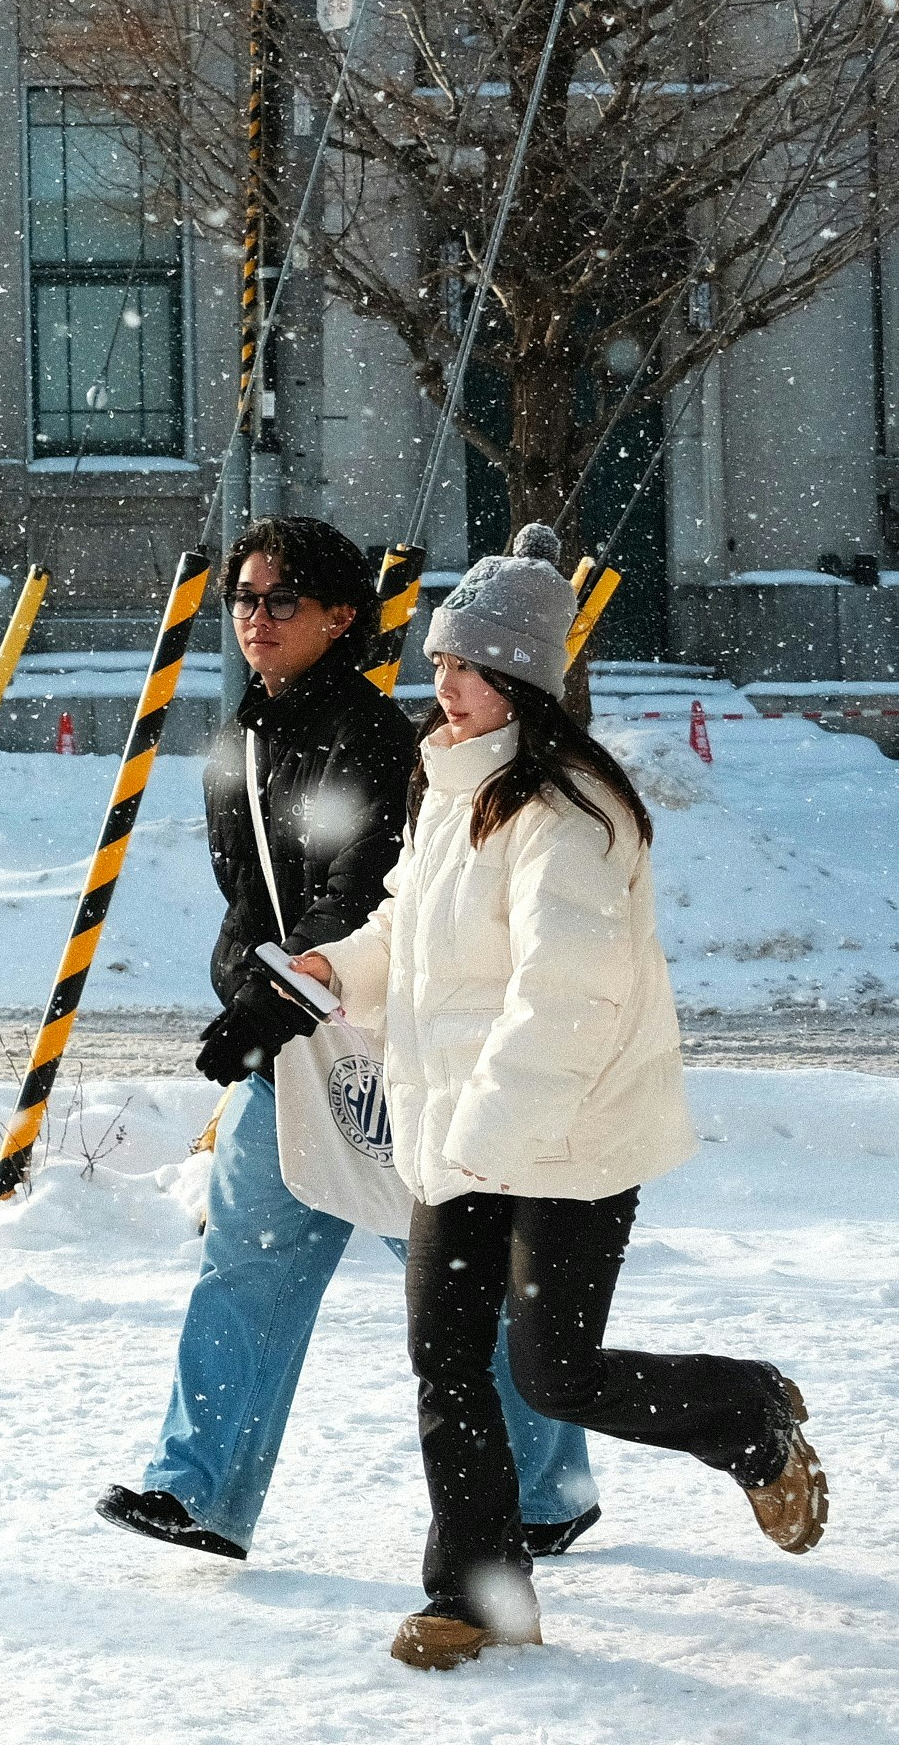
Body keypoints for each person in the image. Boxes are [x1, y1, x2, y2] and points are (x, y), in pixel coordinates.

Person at [293, 538, 828, 1669]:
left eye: (471, 668)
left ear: (526, 682)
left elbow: (563, 1002)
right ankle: (475, 1592)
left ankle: (743, 1414)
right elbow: (406, 927)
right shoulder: (450, 789)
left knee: (552, 1371)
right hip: (461, 1133)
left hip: (569, 1139)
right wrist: (345, 968)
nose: (443, 686)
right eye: (438, 662)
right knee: (443, 1363)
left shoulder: (570, 813)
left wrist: (485, 1130)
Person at [98, 518, 596, 1566]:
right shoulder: (232, 740)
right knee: (241, 1265)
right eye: (242, 596)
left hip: (374, 1055)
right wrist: (249, 993)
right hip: (281, 1050)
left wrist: (268, 998)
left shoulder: (376, 741)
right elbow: (253, 898)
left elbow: (357, 897)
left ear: (337, 617)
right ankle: (198, 1491)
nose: (253, 617)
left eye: (281, 600)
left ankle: (546, 1486)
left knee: (452, 1286)